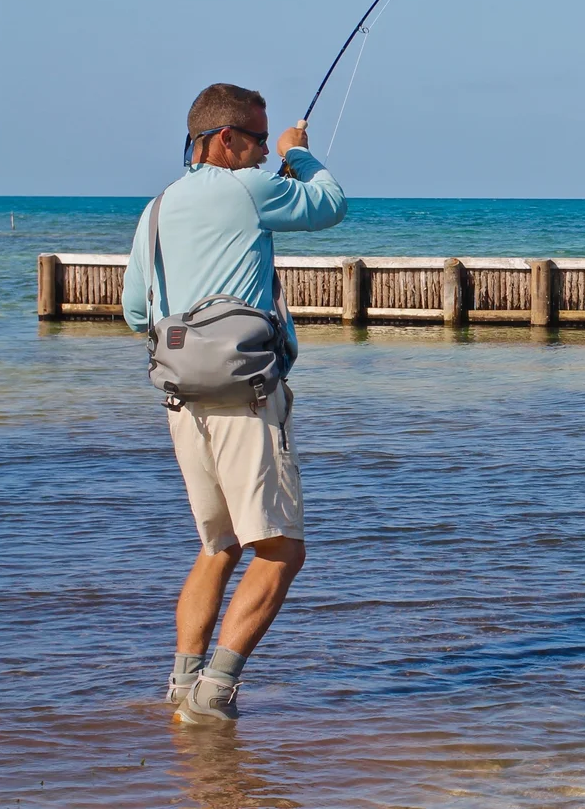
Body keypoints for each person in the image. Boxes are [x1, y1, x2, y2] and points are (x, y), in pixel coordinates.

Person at [121, 83, 347, 723]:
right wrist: (297, 154)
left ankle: (181, 685)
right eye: (255, 141)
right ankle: (214, 696)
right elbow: (330, 205)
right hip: (246, 393)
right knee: (281, 550)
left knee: (217, 544)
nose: (259, 154)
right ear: (224, 139)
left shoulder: (157, 209)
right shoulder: (248, 187)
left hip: (181, 398)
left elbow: (137, 310)